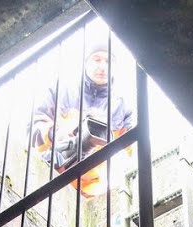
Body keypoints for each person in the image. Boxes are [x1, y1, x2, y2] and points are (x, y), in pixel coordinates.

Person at [30, 36, 135, 200]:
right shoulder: (60, 91)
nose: (102, 66)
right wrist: (55, 134)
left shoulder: (123, 109)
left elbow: (131, 156)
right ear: (86, 62)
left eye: (108, 61)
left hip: (90, 192)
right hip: (49, 175)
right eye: (97, 59)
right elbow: (33, 128)